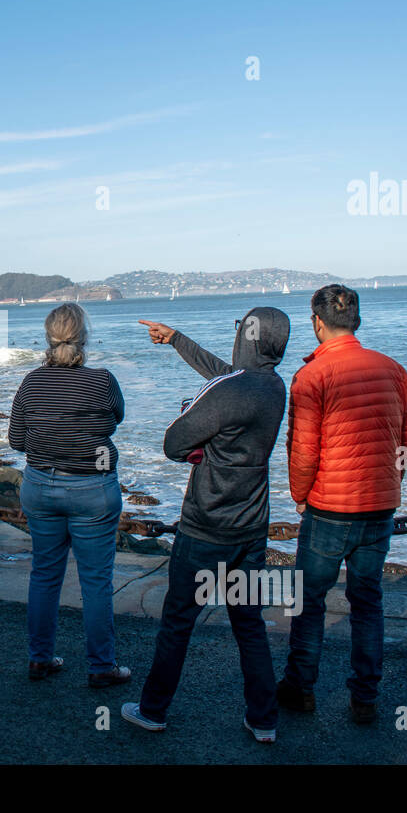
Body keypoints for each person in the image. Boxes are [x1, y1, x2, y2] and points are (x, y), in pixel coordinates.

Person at [122, 308, 290, 744]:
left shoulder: (229, 390)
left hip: (206, 528)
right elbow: (229, 377)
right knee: (249, 624)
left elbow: (174, 443)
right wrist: (178, 339)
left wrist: (202, 443)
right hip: (251, 528)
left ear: (247, 338)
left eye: (239, 330)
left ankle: (153, 711)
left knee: (178, 622)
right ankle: (264, 720)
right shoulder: (272, 386)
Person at [280, 284, 407, 725]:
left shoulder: (312, 376)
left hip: (329, 508)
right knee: (367, 600)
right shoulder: (394, 370)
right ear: (355, 319)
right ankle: (365, 697)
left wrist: (300, 496)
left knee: (308, 599)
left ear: (317, 322)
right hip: (379, 507)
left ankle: (300, 688)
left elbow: (304, 450)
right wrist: (388, 482)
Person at [8, 303, 130, 688]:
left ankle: (40, 659)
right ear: (83, 339)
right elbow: (116, 418)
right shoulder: (102, 381)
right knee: (96, 580)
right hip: (92, 489)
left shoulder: (31, 382)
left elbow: (15, 440)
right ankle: (101, 667)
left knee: (44, 574)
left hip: (41, 487)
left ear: (48, 339)